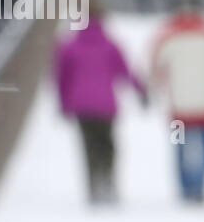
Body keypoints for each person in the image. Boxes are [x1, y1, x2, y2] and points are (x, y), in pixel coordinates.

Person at [52, 11, 146, 203]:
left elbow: (61, 79)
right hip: (105, 105)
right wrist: (140, 90)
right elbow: (124, 71)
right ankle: (108, 182)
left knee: (89, 146)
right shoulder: (108, 44)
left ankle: (94, 186)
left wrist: (62, 104)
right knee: (108, 145)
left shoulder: (69, 46)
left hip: (81, 105)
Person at [149, 5, 204, 202]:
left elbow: (156, 68)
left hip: (178, 108)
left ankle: (185, 186)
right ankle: (200, 186)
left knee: (179, 147)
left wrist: (159, 88)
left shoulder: (167, 36)